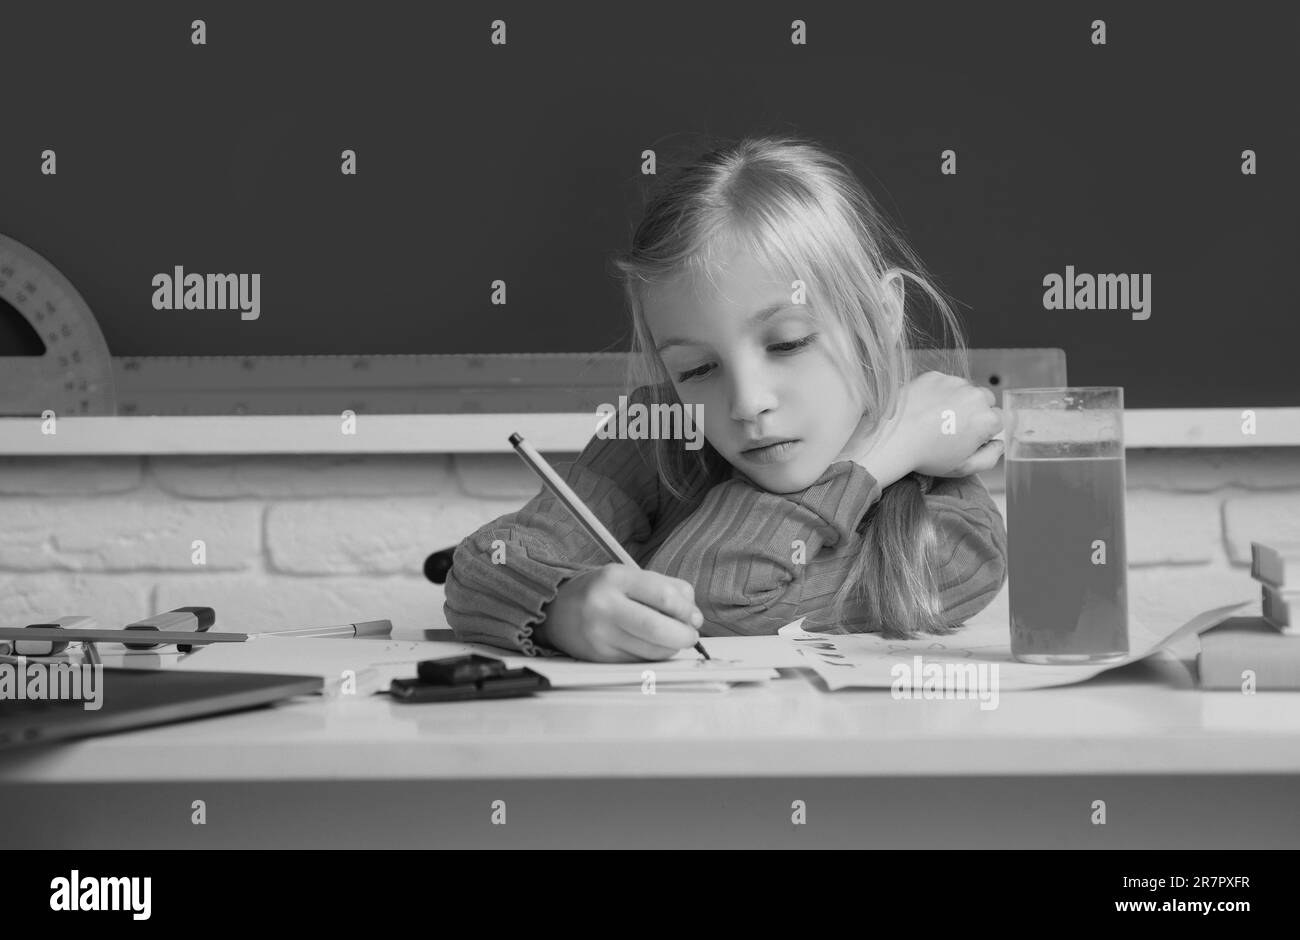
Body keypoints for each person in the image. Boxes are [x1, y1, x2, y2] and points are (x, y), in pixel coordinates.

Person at [445, 135, 1007, 662]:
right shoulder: (663, 433)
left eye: (787, 343)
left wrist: (877, 457)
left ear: (881, 320)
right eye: (699, 368)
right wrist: (561, 611)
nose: (746, 402)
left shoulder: (958, 540)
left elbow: (716, 597)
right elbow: (482, 568)